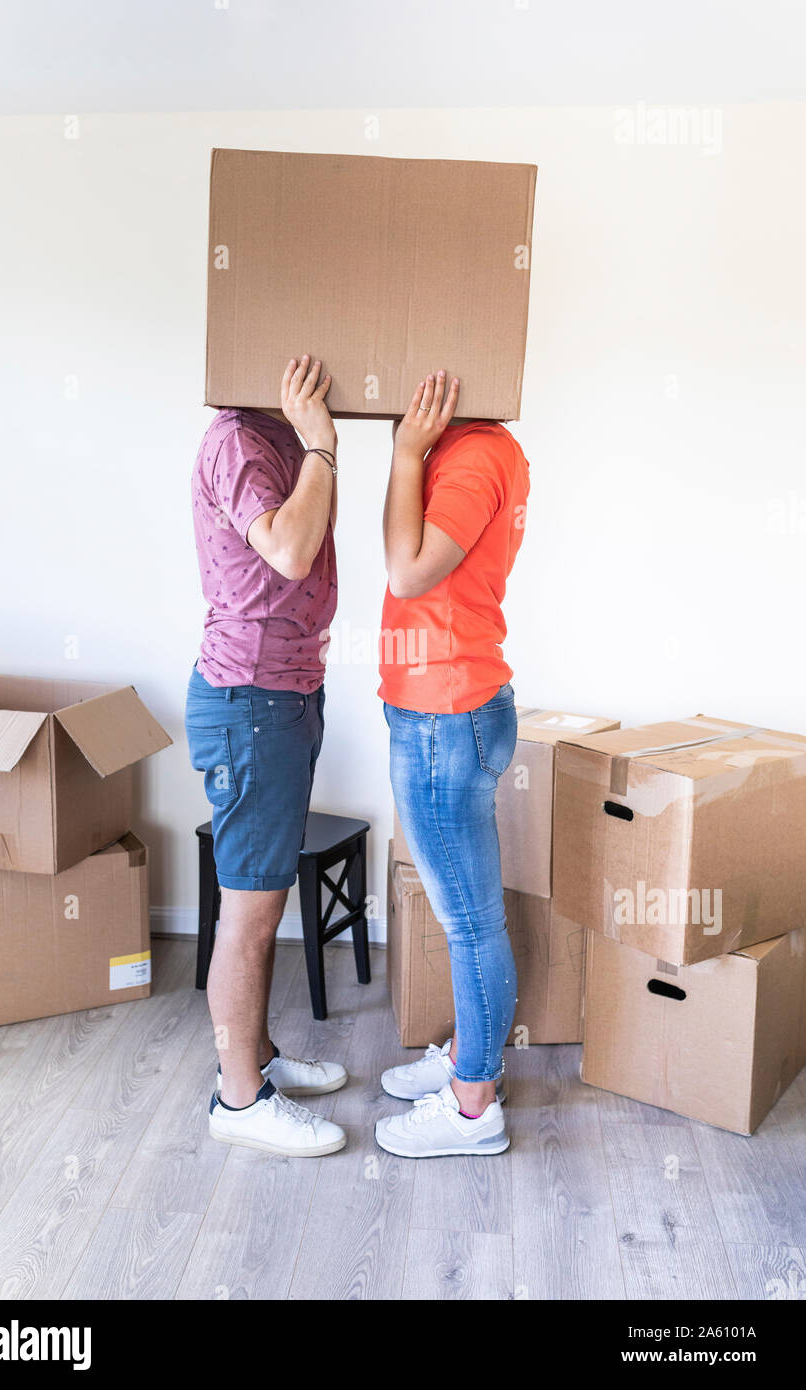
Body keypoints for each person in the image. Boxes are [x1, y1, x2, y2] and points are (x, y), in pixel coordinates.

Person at [185, 355, 348, 1157]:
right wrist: (322, 449)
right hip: (252, 703)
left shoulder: (283, 435)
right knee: (247, 916)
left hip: (284, 697)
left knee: (265, 904)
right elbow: (289, 549)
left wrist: (317, 446)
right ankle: (239, 1100)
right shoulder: (244, 441)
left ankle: (257, 1057)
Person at [375, 370, 530, 1158]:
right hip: (450, 706)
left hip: (445, 714)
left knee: (470, 923)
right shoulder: (477, 448)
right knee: (468, 916)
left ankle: (473, 1108)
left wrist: (405, 452)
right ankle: (474, 1066)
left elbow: (408, 572)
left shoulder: (470, 456)